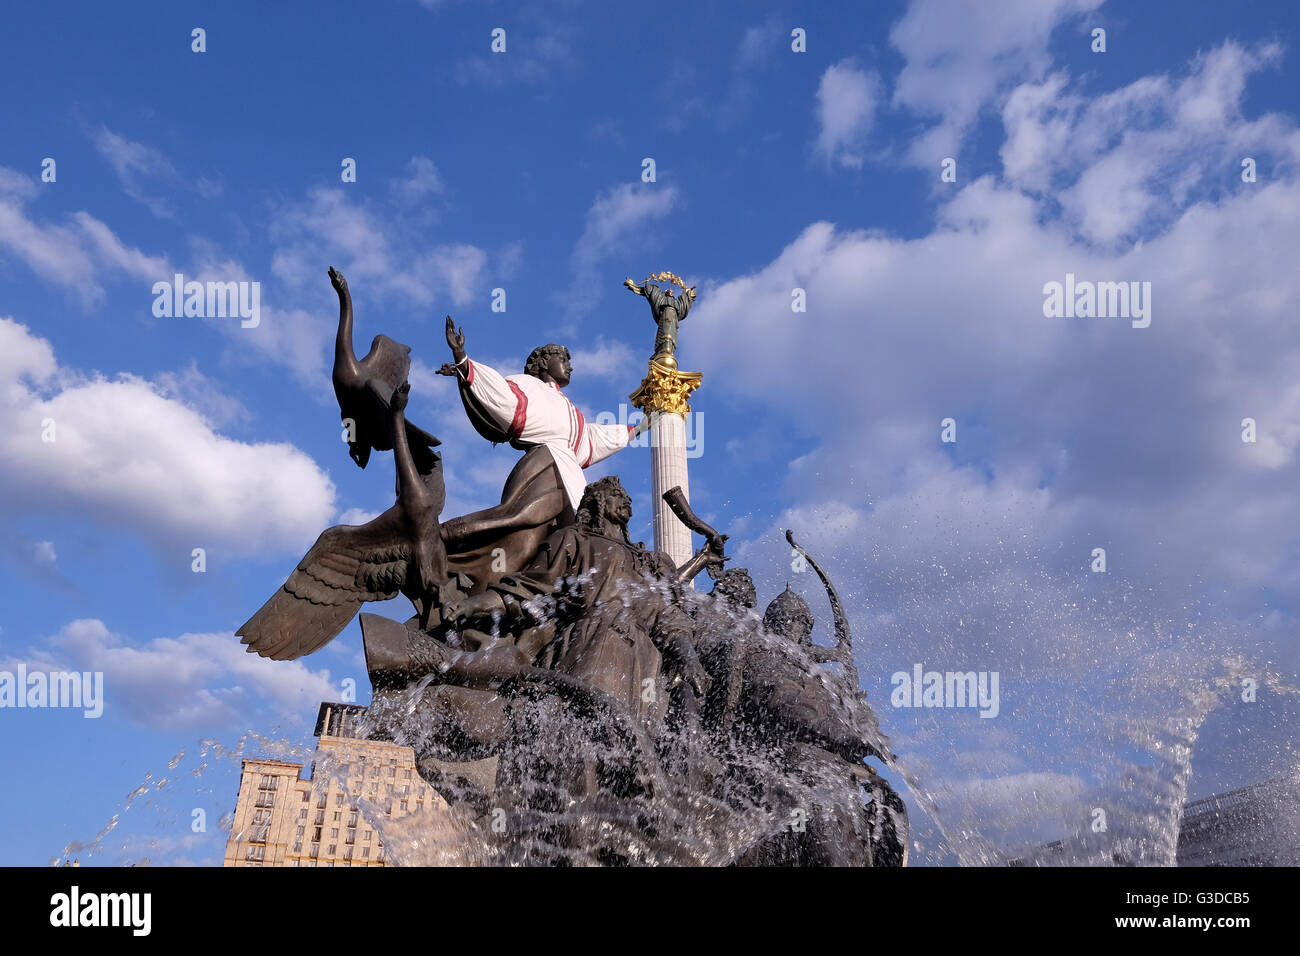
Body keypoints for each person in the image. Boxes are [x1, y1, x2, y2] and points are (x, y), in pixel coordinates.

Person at [437, 317, 634, 511]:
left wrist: (643, 425)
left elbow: (595, 438)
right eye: (563, 359)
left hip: (572, 480)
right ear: (544, 363)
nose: (570, 366)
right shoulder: (526, 386)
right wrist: (461, 358)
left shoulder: (572, 410)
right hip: (542, 467)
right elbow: (499, 395)